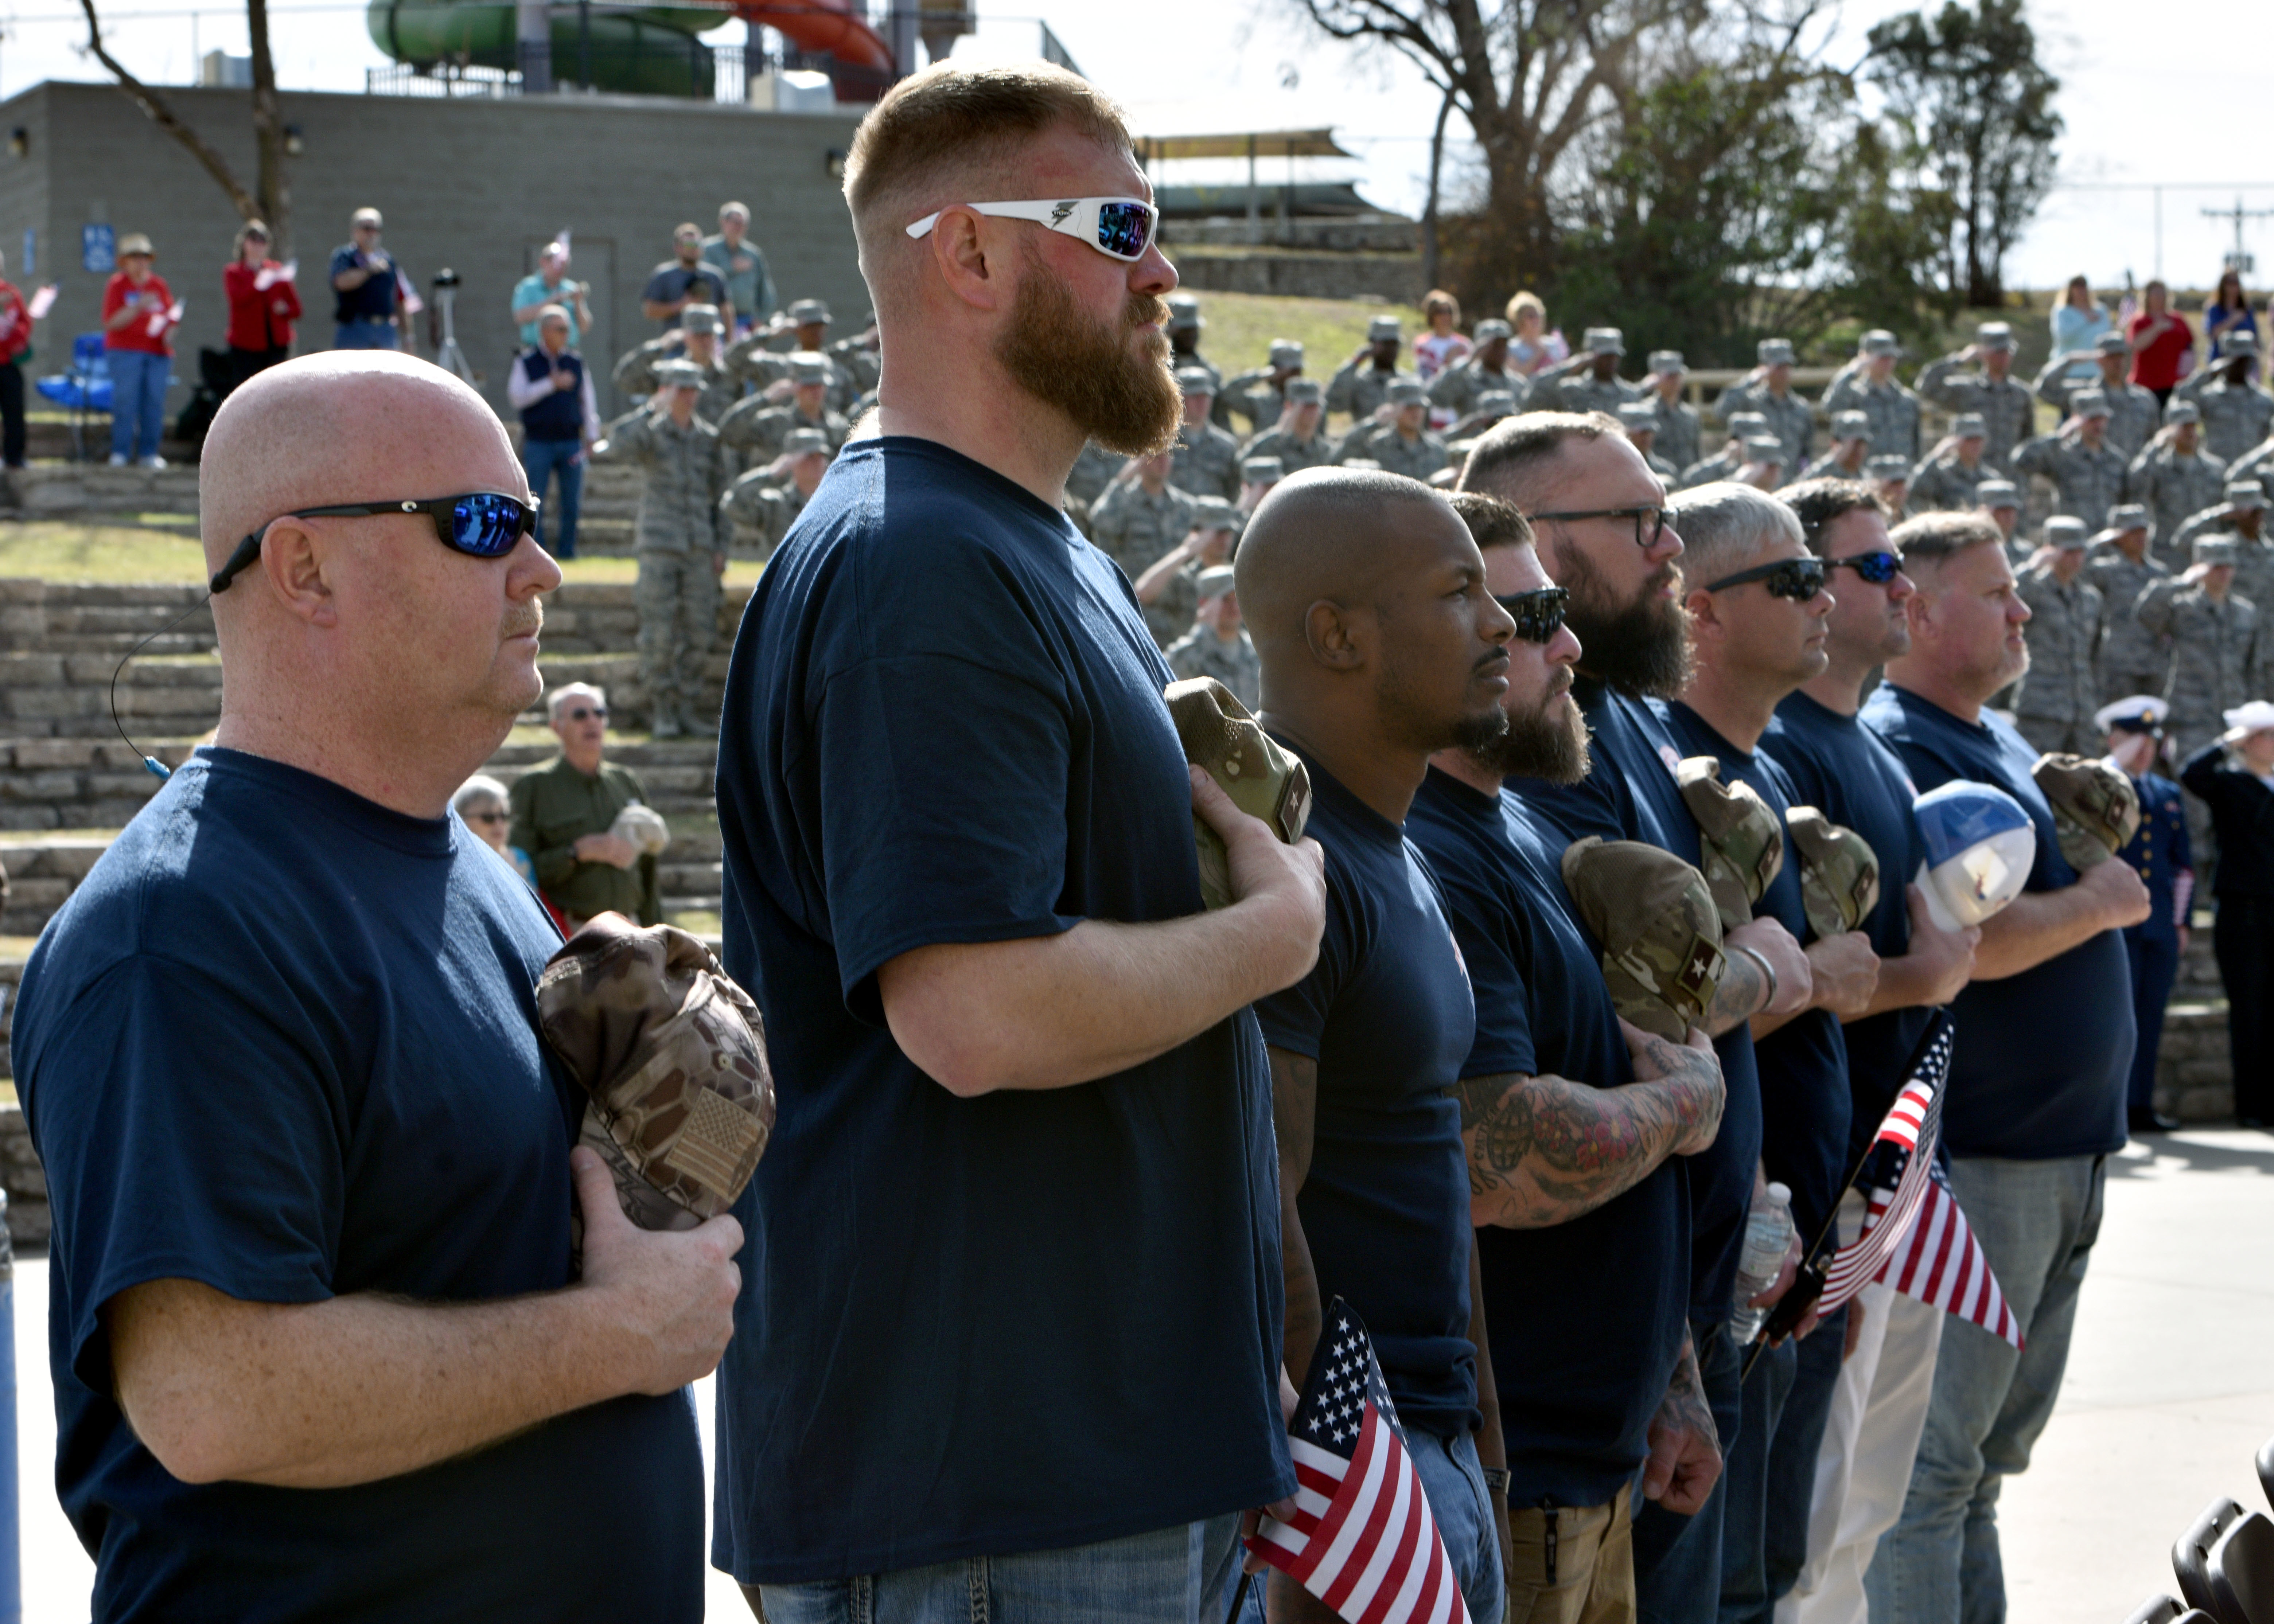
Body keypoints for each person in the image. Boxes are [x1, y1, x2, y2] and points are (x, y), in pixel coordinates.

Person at [709, 61, 1328, 1620]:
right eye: (1117, 225)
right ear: (969, 255)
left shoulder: (1024, 548)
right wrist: (1275, 930)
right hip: (983, 1492)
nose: (1162, 271)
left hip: (1078, 1467)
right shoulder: (919, 566)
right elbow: (970, 1012)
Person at [12, 349, 738, 1621]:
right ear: (303, 569)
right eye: (480, 524)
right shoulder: (180, 927)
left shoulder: (465, 858)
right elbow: (213, 1393)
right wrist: (617, 1334)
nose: (542, 566)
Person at [1456, 411, 1819, 1623]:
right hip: (1531, 1412)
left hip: (1646, 1352)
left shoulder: (1599, 726)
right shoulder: (1498, 779)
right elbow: (1614, 1019)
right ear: (1531, 547)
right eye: (1634, 521)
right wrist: (1765, 981)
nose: (1668, 545)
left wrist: (1671, 1364)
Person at [1409, 488, 1727, 1624]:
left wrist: (1669, 1381)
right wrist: (1690, 1106)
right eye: (1529, 614)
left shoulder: (1526, 828)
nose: (1565, 645)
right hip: (1515, 1468)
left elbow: (1596, 1076)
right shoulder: (1427, 852)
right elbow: (1495, 1161)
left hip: (1597, 1453)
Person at [1237, 469, 1516, 1624]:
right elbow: (1265, 1195)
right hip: (1362, 1485)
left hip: (1435, 1448)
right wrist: (1351, 1490)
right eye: (1460, 593)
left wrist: (1487, 1454)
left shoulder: (1394, 847)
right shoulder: (1284, 864)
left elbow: (1436, 1164)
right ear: (1338, 635)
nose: (1501, 623)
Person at [1860, 511, 2149, 1623]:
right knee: (1929, 1479)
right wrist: (2100, 902)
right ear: (1919, 611)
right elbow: (1959, 945)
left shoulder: (1999, 737)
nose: (2025, 609)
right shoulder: (1909, 742)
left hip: (2060, 1155)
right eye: (1997, 592)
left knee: (1978, 1475)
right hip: (1980, 1159)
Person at [1761, 480, 1981, 1624]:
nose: (1901, 586)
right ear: (1808, 588)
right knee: (1817, 1512)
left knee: (1868, 1502)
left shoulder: (1865, 747)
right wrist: (1927, 976)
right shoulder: (1788, 749)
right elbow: (1797, 985)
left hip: (1897, 1175)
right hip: (1838, 1180)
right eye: (1875, 568)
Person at [593, 359, 730, 741]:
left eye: (692, 389)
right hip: (660, 545)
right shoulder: (650, 433)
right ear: (667, 391)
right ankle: (663, 710)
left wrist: (722, 546)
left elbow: (721, 497)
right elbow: (615, 447)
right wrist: (649, 409)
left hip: (699, 545)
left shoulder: (708, 438)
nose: (688, 396)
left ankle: (686, 706)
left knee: (700, 629)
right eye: (680, 389)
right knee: (659, 631)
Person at [2097, 696, 2190, 1135]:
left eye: (2152, 741)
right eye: (2136, 739)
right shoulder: (2101, 784)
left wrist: (2180, 921)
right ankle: (2113, 1106)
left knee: (2151, 1014)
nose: (2146, 749)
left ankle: (2142, 1105)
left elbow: (2182, 865)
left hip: (2158, 925)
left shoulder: (2166, 793)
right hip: (2118, 922)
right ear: (2115, 740)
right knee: (2120, 1018)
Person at [2180, 701, 2274, 1128]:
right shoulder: (2230, 783)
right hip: (2244, 911)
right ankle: (2252, 1105)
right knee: (2249, 1009)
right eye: (2265, 735)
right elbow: (2191, 775)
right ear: (2249, 742)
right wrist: (2226, 743)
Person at [508, 680, 662, 929]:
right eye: (580, 715)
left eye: (599, 713)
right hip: (569, 934)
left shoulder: (626, 782)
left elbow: (648, 870)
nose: (592, 721)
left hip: (633, 931)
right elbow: (518, 868)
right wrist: (577, 853)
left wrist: (657, 930)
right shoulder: (533, 787)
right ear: (557, 727)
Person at [507, 305, 599, 562]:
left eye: (567, 329)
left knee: (571, 502)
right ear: (545, 331)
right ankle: (538, 554)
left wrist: (591, 434)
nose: (566, 334)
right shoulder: (526, 360)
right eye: (560, 329)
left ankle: (568, 552)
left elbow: (587, 400)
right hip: (539, 443)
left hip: (571, 442)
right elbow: (517, 397)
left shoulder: (576, 361)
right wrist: (551, 384)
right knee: (536, 500)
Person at [2011, 517, 2105, 755]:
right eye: (2069, 551)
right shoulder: (2034, 590)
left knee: (2083, 786)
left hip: (2081, 711)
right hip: (2042, 709)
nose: (2076, 558)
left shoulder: (2091, 599)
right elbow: (2006, 601)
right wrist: (2032, 567)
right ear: (2051, 552)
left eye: (2081, 551)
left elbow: (2095, 654)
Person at [101, 232, 176, 468]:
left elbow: (171, 318)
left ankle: (149, 453)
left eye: (144, 256)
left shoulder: (159, 285)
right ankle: (121, 452)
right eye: (134, 257)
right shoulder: (117, 285)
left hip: (157, 354)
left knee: (154, 404)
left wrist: (169, 334)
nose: (140, 261)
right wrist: (138, 306)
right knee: (126, 402)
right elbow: (111, 322)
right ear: (124, 261)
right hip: (125, 352)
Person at [2087, 504, 2172, 703]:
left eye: (2144, 531)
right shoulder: (2106, 571)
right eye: (2133, 532)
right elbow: (2077, 570)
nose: (2140, 537)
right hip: (2120, 663)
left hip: (2155, 662)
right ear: (2118, 537)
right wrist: (2099, 543)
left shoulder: (2160, 573)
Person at [1916, 323, 2032, 466]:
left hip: (2012, 477)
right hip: (1974, 478)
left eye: (2007, 351)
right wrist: (1959, 360)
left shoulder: (2021, 394)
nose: (2003, 357)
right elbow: (1927, 388)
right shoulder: (1967, 390)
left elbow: (2028, 440)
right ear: (1984, 354)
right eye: (1998, 352)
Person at [615, 304, 743, 432]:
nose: (705, 341)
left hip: (714, 449)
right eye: (698, 335)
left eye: (709, 334)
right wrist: (660, 347)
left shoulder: (730, 376)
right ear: (686, 337)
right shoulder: (671, 375)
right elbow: (625, 378)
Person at [2012, 390, 2128, 531]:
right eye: (2092, 419)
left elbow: (2126, 502)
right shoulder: (2063, 454)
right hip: (2072, 543)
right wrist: (2060, 436)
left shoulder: (2117, 460)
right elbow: (2021, 460)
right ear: (2076, 420)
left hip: (2106, 543)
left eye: (2101, 418)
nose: (2098, 425)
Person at [2034, 331, 2158, 462]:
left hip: (2133, 477)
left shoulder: (2144, 399)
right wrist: (2069, 360)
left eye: (2122, 356)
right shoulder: (2085, 394)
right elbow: (2044, 390)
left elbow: (2154, 442)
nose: (2119, 362)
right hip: (2094, 475)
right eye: (2112, 357)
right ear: (2099, 360)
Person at [1131, 497, 1239, 647]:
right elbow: (1142, 593)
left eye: (1228, 532)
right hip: (1191, 662)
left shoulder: (1241, 579)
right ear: (1197, 533)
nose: (1225, 539)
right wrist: (1186, 551)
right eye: (1218, 532)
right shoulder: (1185, 579)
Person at [719, 353, 849, 469]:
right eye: (809, 385)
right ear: (795, 387)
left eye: (819, 385)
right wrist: (766, 398)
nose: (815, 391)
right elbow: (727, 432)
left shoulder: (839, 426)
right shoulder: (775, 422)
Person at [720, 425, 831, 559]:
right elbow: (733, 504)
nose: (817, 463)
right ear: (792, 462)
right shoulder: (777, 504)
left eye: (821, 456)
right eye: (809, 457)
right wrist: (771, 473)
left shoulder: (835, 503)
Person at [1088, 443, 1197, 578]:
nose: (1163, 460)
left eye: (1169, 454)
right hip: (1135, 592)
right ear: (1140, 460)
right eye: (1156, 455)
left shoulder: (1186, 507)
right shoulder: (1125, 501)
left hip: (1177, 595)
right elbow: (1098, 521)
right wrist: (1122, 480)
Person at [1161, 563, 1260, 707]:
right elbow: (1165, 678)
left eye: (1237, 598)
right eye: (1226, 599)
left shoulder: (1256, 651)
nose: (1234, 607)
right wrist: (1204, 628)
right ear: (1205, 604)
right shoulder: (1192, 651)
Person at [2129, 401, 2228, 542]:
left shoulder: (2216, 468)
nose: (2191, 432)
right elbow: (2135, 484)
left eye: (2194, 427)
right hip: (2169, 550)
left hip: (2207, 548)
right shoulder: (2159, 467)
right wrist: (2156, 446)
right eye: (2184, 427)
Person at [1715, 339, 1814, 478]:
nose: (1784, 372)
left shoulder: (1801, 407)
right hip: (1758, 483)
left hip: (1791, 483)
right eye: (1778, 366)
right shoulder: (1750, 400)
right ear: (1763, 368)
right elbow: (1721, 412)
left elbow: (1806, 453)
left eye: (1787, 366)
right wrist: (1750, 380)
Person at [220, 220, 298, 393]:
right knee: (246, 392)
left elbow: (296, 309)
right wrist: (258, 284)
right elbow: (238, 300)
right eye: (253, 240)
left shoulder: (277, 270)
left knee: (277, 393)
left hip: (276, 345)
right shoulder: (233, 272)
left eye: (262, 240)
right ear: (244, 243)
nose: (258, 245)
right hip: (246, 346)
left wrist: (284, 309)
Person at [2173, 331, 2274, 465]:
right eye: (2237, 361)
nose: (2243, 366)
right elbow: (2181, 399)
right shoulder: (2209, 396)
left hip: (2253, 474)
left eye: (2247, 360)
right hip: (2217, 472)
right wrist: (2209, 374)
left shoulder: (2264, 400)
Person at [1822, 332, 1923, 464]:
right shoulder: (1854, 395)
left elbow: (1916, 446)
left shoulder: (1908, 400)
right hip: (1867, 477)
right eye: (1882, 357)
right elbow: (1830, 408)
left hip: (1900, 478)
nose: (1887, 362)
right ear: (1865, 357)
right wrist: (1851, 372)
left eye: (1891, 357)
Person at [1335, 377, 1452, 483]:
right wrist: (1375, 423)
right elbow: (1338, 459)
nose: (1416, 413)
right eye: (1409, 407)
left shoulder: (1437, 449)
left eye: (1419, 407)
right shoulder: (1377, 445)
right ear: (1394, 410)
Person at [328, 207, 406, 353]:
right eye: (367, 228)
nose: (372, 233)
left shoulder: (388, 260)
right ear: (355, 231)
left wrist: (408, 336)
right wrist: (369, 270)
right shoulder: (345, 256)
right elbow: (341, 282)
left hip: (385, 329)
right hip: (355, 327)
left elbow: (400, 298)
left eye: (377, 229)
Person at [1429, 319, 1526, 424]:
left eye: (1504, 345)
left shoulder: (1518, 384)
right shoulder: (1466, 378)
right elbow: (1435, 397)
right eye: (1495, 345)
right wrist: (1470, 360)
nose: (1501, 350)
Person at [453, 771, 538, 889]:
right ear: (461, 818)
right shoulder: (458, 864)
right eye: (488, 818)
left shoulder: (520, 857)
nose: (499, 824)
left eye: (504, 816)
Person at [1170, 366, 1243, 500]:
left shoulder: (1226, 446)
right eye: (1195, 396)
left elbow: (1235, 493)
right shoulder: (1163, 445)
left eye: (1206, 396)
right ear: (1179, 399)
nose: (1202, 403)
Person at [701, 201, 775, 335]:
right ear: (723, 222)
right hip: (714, 322)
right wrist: (731, 267)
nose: (739, 227)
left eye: (743, 224)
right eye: (735, 222)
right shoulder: (708, 250)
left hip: (747, 322)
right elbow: (704, 280)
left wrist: (761, 319)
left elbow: (766, 291)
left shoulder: (753, 254)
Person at [1325, 315, 1418, 420]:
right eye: (1386, 344)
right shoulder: (1359, 381)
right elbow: (1333, 404)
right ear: (1372, 345)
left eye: (1395, 344)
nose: (1391, 349)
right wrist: (1356, 362)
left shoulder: (1408, 381)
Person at [639, 222, 728, 329]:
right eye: (689, 244)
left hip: (711, 343)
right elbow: (649, 311)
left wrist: (729, 342)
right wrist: (680, 306)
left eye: (697, 244)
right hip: (677, 342)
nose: (694, 248)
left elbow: (726, 310)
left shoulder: (715, 276)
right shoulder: (664, 275)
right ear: (677, 247)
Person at [1244, 375, 1336, 475]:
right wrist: (1280, 432)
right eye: (1306, 406)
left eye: (1316, 406)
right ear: (1289, 407)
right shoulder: (1274, 446)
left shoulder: (1325, 450)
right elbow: (1242, 467)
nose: (1312, 412)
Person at [1543, 327, 1642, 418]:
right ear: (1590, 357)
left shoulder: (1629, 395)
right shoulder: (1571, 390)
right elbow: (1538, 388)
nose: (1611, 361)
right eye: (1605, 356)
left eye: (1614, 356)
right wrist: (1572, 366)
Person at [509, 240, 591, 348]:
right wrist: (551, 302)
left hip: (566, 353)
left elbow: (585, 327)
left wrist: (578, 303)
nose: (561, 268)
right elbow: (519, 317)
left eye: (565, 264)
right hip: (535, 353)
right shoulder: (528, 287)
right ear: (543, 262)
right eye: (557, 263)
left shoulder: (571, 289)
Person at [2127, 280, 2196, 407]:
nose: (2160, 297)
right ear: (2147, 297)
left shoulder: (2178, 319)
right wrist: (2157, 328)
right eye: (2156, 294)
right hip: (2146, 384)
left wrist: (2189, 374)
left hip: (2175, 383)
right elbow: (2136, 345)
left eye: (2163, 293)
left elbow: (2190, 346)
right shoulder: (2140, 321)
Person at [1904, 414, 1990, 514]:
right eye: (1970, 439)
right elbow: (1914, 488)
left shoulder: (1990, 478)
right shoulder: (1943, 474)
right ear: (1956, 442)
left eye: (1979, 439)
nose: (1976, 445)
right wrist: (1937, 455)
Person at [1223, 338, 1306, 433]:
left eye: (1296, 371)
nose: (1292, 378)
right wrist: (1260, 376)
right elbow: (1227, 395)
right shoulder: (1261, 404)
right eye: (1285, 373)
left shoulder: (1310, 405)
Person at [1643, 350, 1704, 473]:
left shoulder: (1691, 416)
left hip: (1688, 483)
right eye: (1670, 376)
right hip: (1659, 481)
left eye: (1678, 375)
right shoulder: (1646, 413)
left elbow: (1697, 455)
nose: (1675, 380)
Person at [2049, 275, 2112, 383]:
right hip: (2070, 373)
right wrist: (2085, 320)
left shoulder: (2100, 311)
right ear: (2070, 289)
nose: (2081, 290)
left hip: (2097, 372)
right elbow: (2062, 337)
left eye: (2084, 286)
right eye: (2076, 286)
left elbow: (2108, 338)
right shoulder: (2062, 311)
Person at [0, 247, 30, 469]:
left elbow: (24, 322)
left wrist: (17, 342)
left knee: (15, 410)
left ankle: (15, 458)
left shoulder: (11, 292)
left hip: (8, 363)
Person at [1415, 287, 1473, 382]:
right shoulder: (1423, 344)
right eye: (1440, 312)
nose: (1445, 316)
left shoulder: (1465, 344)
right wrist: (1448, 361)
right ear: (1432, 315)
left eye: (1449, 312)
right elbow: (1426, 378)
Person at [1506, 289, 1568, 376]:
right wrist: (1538, 355)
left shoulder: (1554, 344)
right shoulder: (1512, 348)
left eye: (1538, 315)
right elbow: (1515, 376)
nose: (1536, 320)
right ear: (1519, 320)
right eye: (1531, 316)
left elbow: (1564, 372)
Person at [2206, 268, 2259, 367]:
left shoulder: (2247, 310)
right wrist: (2233, 320)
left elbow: (2255, 338)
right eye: (2229, 282)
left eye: (2236, 283)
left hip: (2245, 364)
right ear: (2223, 285)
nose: (2233, 287)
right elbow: (2214, 334)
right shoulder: (2215, 309)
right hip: (2220, 361)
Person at [1800, 412, 1872, 482]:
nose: (1857, 450)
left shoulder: (1866, 478)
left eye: (1862, 443)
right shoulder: (1819, 473)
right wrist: (1834, 463)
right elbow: (1799, 487)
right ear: (1834, 444)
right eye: (1852, 444)